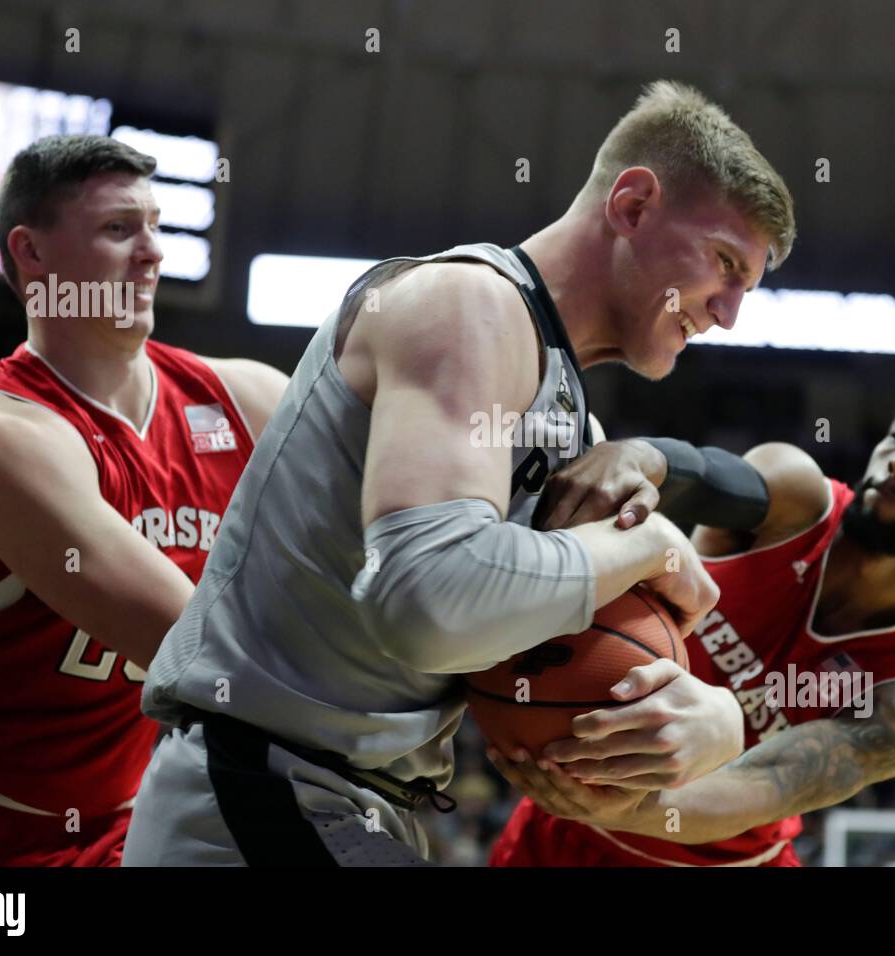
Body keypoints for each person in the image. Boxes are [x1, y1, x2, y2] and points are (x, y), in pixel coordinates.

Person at [123, 79, 796, 866]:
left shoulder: (574, 422)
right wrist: (654, 547)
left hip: (349, 800)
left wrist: (709, 721)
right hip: (260, 785)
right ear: (634, 205)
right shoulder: (465, 305)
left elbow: (531, 641)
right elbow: (427, 599)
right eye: (724, 264)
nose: (728, 314)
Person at [0, 135, 288, 866]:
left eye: (156, 226)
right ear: (32, 254)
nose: (153, 252)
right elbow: (193, 646)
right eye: (119, 228)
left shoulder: (245, 398)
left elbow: (403, 522)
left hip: (110, 825)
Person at [488, 355, 895, 866]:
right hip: (562, 837)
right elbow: (707, 476)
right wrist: (640, 455)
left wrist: (623, 806)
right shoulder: (796, 501)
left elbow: (767, 782)